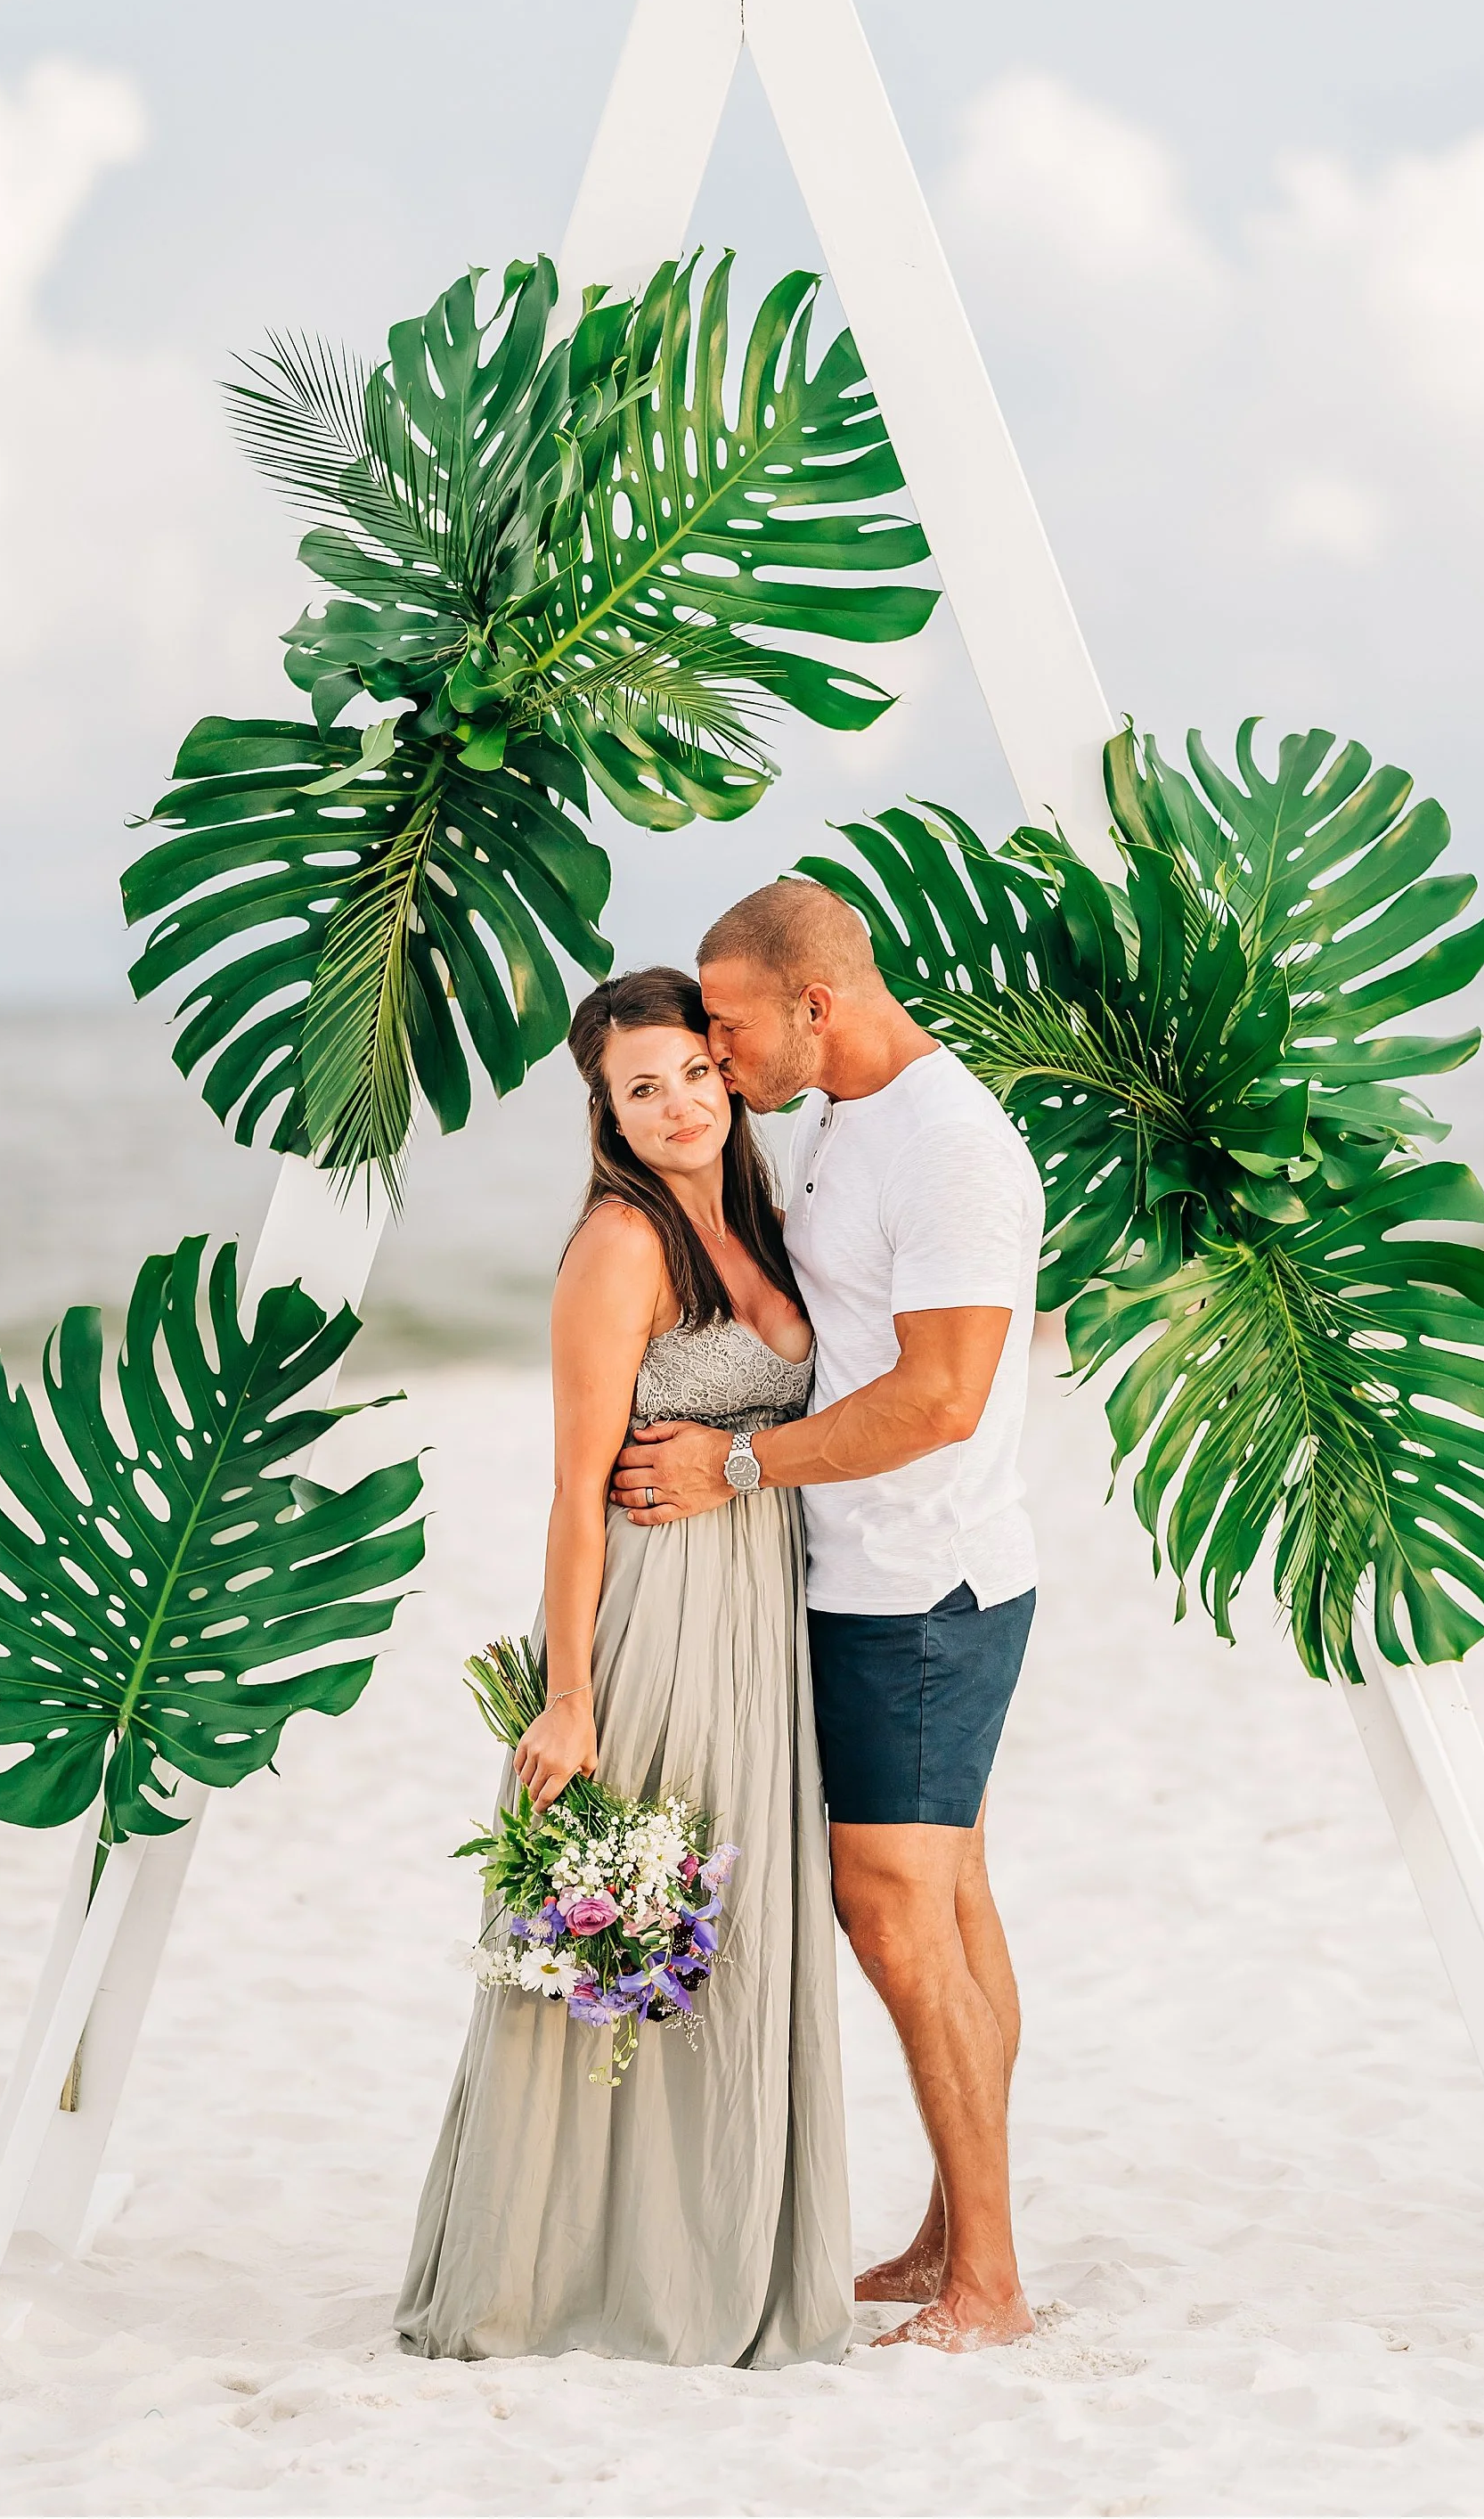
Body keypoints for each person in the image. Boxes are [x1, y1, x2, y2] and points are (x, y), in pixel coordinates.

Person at [396, 965, 852, 2368]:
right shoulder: (621, 1246)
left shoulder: (768, 1217)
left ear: (729, 1075)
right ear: (605, 1109)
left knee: (733, 1927)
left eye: (694, 1075)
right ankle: (567, 2275)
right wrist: (574, 1696)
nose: (677, 1106)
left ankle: (721, 2246)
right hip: (660, 1613)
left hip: (763, 1611)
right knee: (633, 1930)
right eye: (639, 1087)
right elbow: (574, 1490)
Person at [611, 881, 1044, 2354]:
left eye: (726, 1026)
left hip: (920, 1585)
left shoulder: (953, 1148)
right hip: (883, 1573)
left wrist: (734, 1464)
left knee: (893, 1906)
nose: (714, 1056)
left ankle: (989, 2279)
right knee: (951, 1900)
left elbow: (942, 1396)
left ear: (818, 1002)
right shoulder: (845, 1116)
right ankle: (953, 2233)